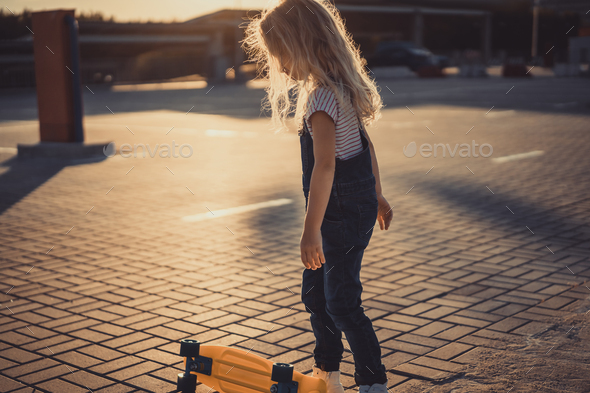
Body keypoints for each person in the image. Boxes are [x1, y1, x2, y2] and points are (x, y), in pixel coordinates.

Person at [242, 1, 393, 392]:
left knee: (341, 302)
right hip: (351, 207)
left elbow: (325, 167)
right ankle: (327, 374)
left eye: (281, 55)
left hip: (337, 214)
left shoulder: (320, 100)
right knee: (316, 295)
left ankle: (372, 383)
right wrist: (376, 193)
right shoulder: (340, 89)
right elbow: (365, 146)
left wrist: (310, 232)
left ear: (303, 44)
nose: (279, 65)